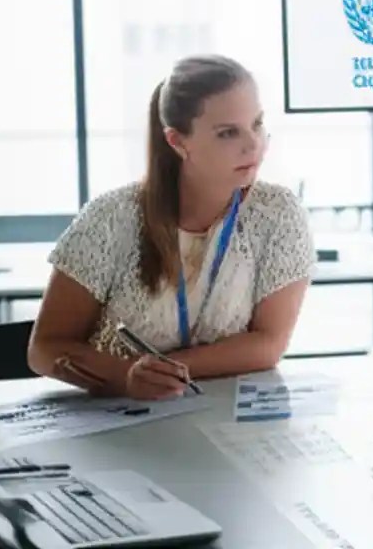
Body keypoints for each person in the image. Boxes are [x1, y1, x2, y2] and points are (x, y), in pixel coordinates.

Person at [27, 55, 315, 400]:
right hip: (120, 421)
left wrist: (169, 369)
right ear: (178, 142)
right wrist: (126, 376)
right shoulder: (110, 217)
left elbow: (267, 345)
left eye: (257, 123)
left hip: (225, 418)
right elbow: (45, 348)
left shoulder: (278, 213)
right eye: (228, 133)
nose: (253, 144)